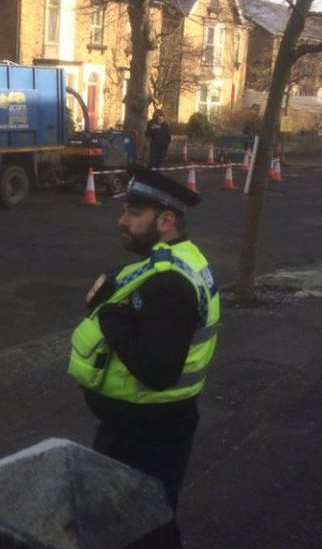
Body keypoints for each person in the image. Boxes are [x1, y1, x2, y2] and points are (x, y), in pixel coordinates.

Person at [68, 166, 220, 543]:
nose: (122, 221)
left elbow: (158, 371)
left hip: (147, 435)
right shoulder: (179, 257)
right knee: (147, 520)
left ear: (166, 220)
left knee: (142, 528)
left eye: (134, 214)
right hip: (150, 427)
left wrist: (111, 318)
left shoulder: (169, 283)